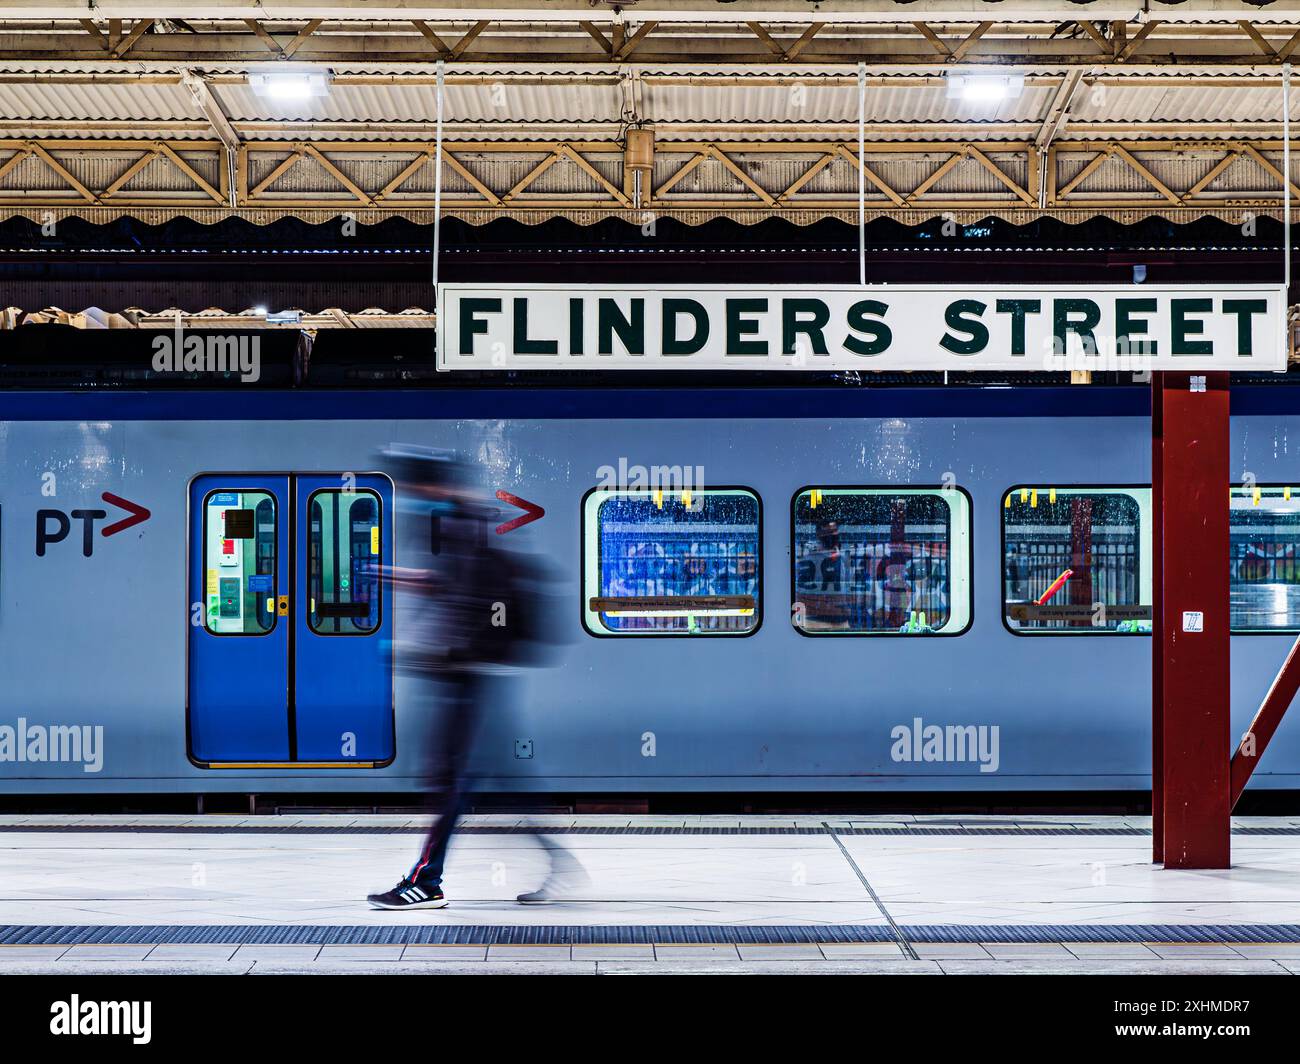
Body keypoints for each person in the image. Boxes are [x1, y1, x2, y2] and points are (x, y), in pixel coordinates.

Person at [366, 446, 584, 910]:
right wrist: (396, 578)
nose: (408, 496)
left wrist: (424, 651)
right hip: (475, 679)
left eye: (411, 486)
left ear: (427, 485)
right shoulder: (465, 522)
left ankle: (427, 881)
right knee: (487, 782)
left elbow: (464, 603)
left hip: (466, 680)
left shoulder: (457, 525)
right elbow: (447, 586)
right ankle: (556, 865)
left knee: (453, 784)